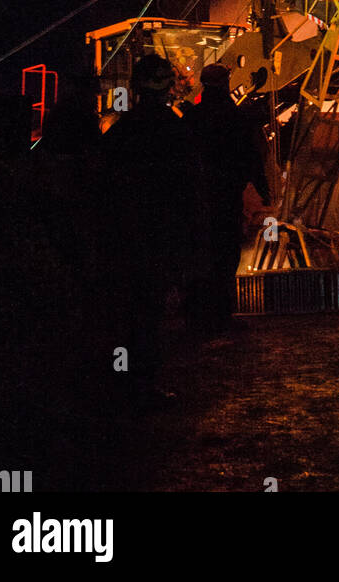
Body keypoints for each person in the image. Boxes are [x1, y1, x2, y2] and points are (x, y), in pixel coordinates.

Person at [101, 52, 207, 406]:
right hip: (161, 237)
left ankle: (119, 382)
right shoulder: (178, 131)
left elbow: (100, 184)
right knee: (149, 315)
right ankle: (143, 385)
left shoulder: (120, 131)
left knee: (124, 313)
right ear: (169, 88)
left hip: (123, 236)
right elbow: (191, 189)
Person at [184, 63, 269, 334]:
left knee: (198, 256)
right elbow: (251, 156)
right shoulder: (235, 117)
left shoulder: (191, 119)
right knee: (224, 257)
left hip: (196, 200)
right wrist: (264, 190)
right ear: (225, 82)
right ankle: (221, 316)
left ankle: (195, 318)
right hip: (225, 198)